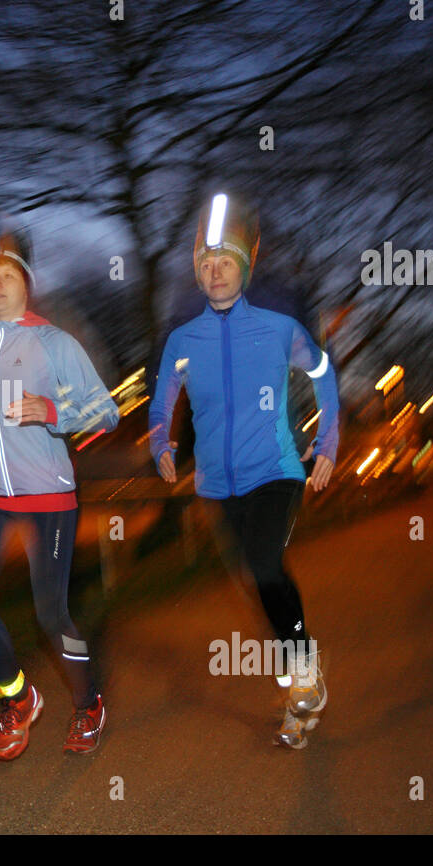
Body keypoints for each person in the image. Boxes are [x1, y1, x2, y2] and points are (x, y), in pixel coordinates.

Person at [147, 192, 339, 749]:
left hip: (276, 469)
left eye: (225, 261)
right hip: (216, 485)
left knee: (263, 563)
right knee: (256, 578)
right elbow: (161, 401)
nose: (215, 271)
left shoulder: (279, 329)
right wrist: (160, 440)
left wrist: (328, 439)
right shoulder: (183, 340)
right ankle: (296, 688)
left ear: (244, 268)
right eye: (206, 263)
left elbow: (324, 374)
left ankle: (303, 672)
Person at [0, 225, 120, 760]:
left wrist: (50, 411)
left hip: (48, 495)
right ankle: (20, 697)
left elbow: (106, 411)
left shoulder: (55, 344)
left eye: (7, 275)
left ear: (26, 283)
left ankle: (88, 702)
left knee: (52, 616)